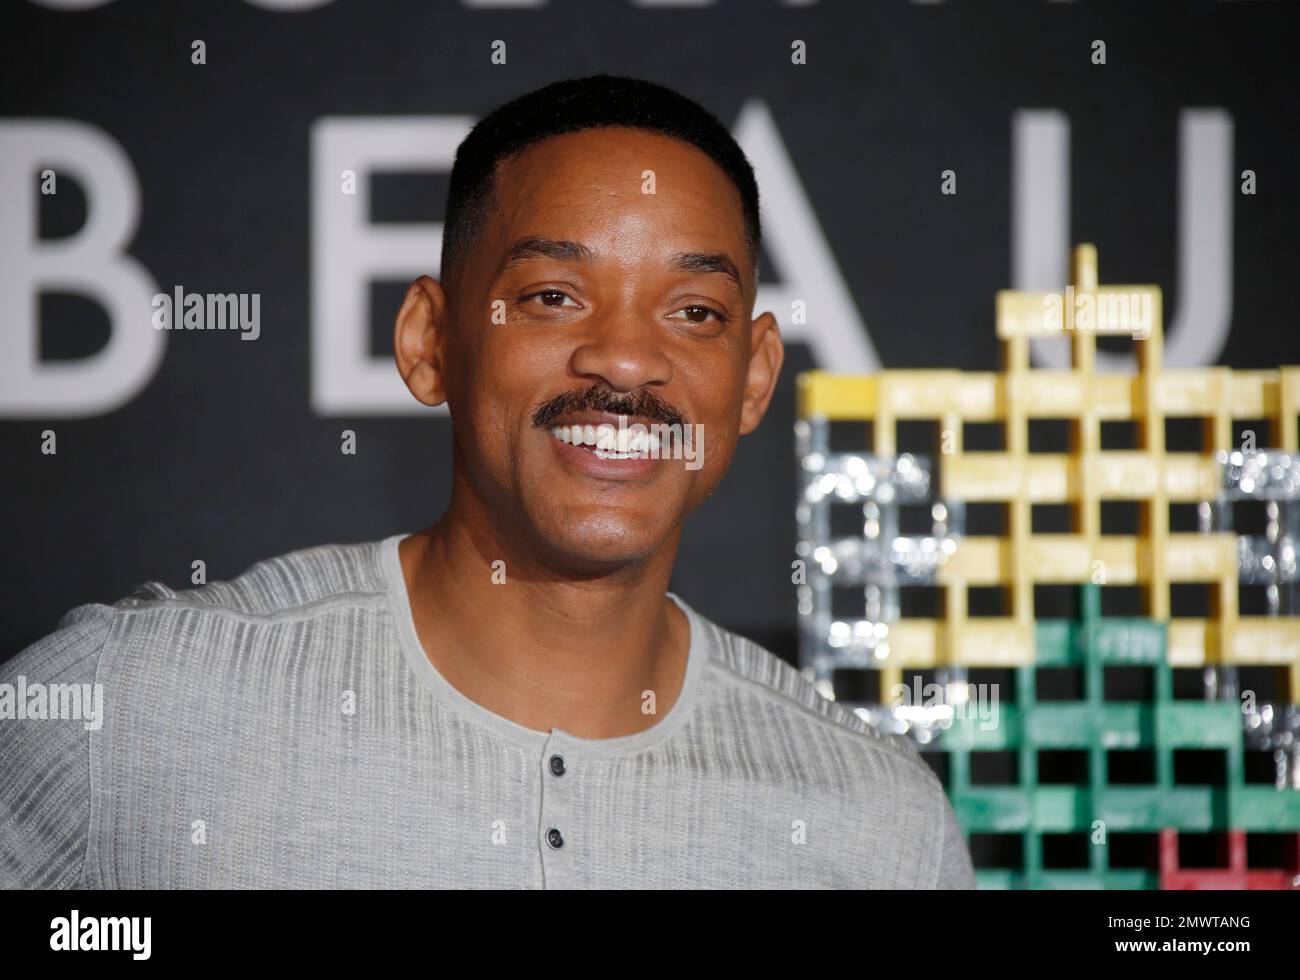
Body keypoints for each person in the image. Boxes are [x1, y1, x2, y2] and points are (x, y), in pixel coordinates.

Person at [0, 74, 975, 889]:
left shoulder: (878, 826)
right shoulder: (130, 710)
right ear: (430, 342)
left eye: (694, 310)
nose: (626, 361)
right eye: (553, 296)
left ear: (754, 378)